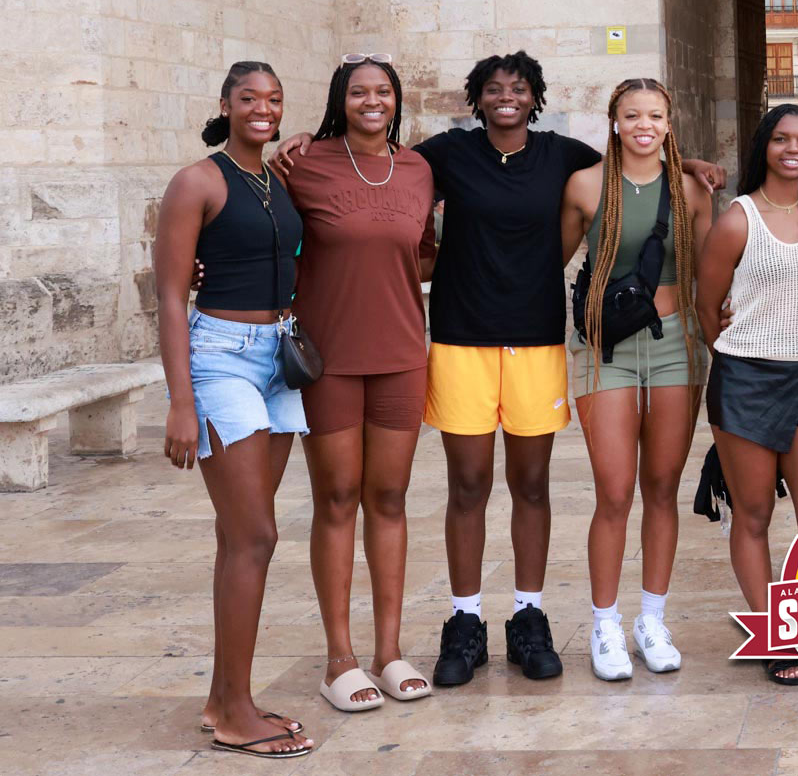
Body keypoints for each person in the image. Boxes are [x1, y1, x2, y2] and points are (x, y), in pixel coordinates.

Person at [273, 52, 723, 688]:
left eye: (518, 89)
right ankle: (464, 621)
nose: (506, 97)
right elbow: (375, 158)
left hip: (536, 339)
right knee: (468, 483)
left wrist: (695, 164)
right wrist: (304, 143)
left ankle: (529, 615)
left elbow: (633, 163)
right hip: (460, 338)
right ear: (476, 98)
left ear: (535, 97)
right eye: (493, 89)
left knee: (532, 484)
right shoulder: (445, 156)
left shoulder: (563, 156)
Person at [156, 62, 314, 759]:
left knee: (239, 537)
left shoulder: (277, 177)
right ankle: (235, 713)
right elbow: (168, 297)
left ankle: (226, 699)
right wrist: (181, 401)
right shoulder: (199, 180)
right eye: (249, 98)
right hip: (220, 357)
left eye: (273, 99)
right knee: (256, 536)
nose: (263, 108)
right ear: (225, 104)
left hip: (278, 359)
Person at [278, 55, 437, 710]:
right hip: (329, 358)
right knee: (338, 496)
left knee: (391, 498)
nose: (372, 101)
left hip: (402, 352)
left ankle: (390, 651)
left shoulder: (421, 169)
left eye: (383, 92)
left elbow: (423, 249)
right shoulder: (304, 163)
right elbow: (258, 224)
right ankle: (339, 658)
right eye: (358, 92)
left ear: (397, 101)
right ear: (340, 100)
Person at [559, 79, 713, 680]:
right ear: (615, 121)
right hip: (608, 348)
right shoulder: (586, 185)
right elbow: (552, 259)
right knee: (615, 490)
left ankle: (652, 619)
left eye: (655, 115)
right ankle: (605, 625)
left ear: (669, 124)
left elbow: (709, 273)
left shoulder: (693, 190)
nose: (644, 124)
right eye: (632, 115)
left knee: (661, 486)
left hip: (677, 345)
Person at [697, 104, 798, 686]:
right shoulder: (738, 219)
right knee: (754, 513)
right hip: (745, 379)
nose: (794, 149)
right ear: (764, 145)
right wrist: (734, 362)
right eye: (782, 139)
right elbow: (708, 308)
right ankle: (774, 633)